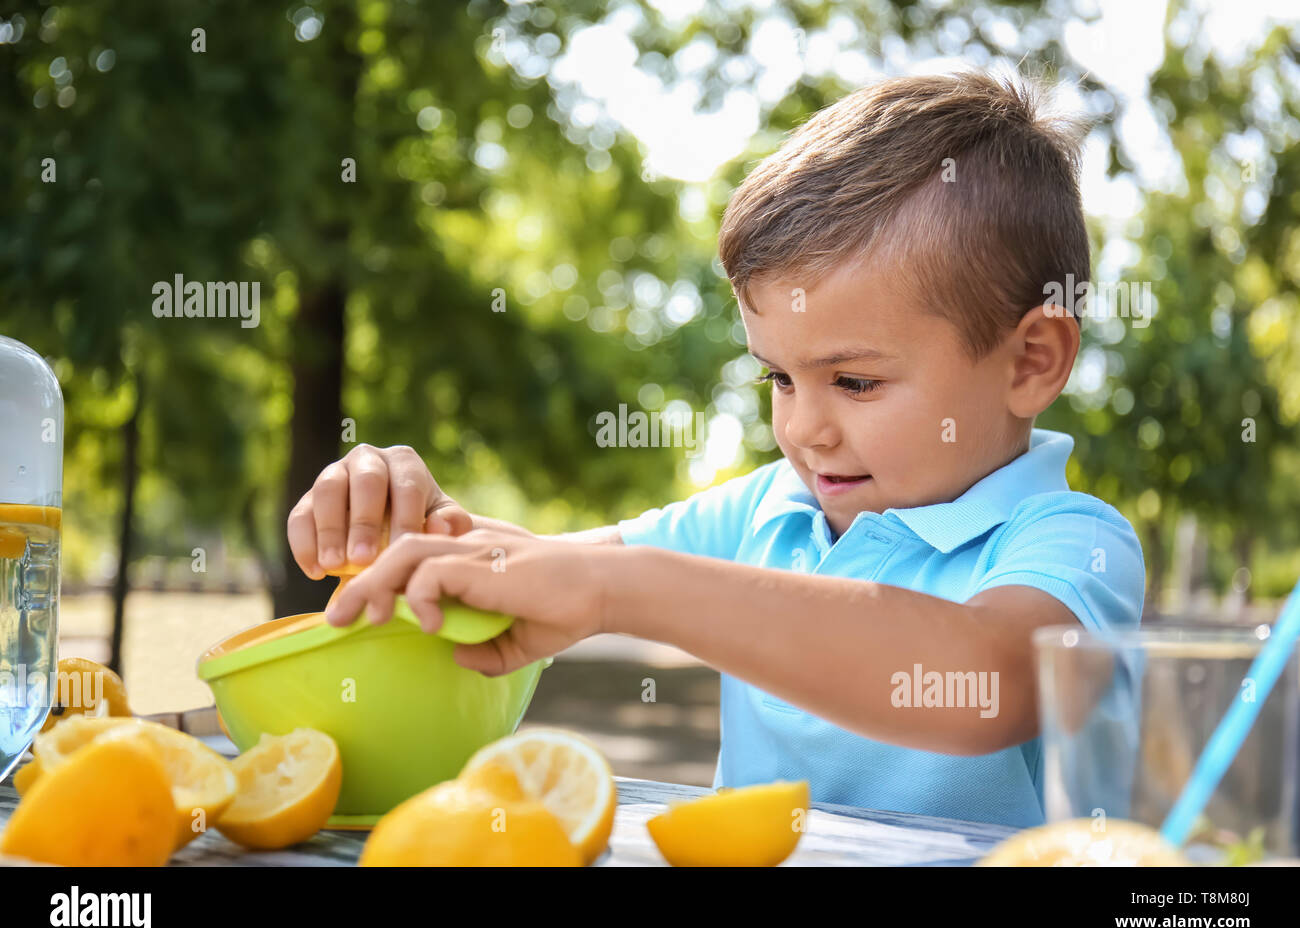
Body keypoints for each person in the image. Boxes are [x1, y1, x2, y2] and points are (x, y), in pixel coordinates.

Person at [287, 71, 1144, 827]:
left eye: (854, 382)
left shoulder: (1074, 544)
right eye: (778, 378)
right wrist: (424, 534)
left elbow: (983, 680)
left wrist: (622, 587)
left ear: (1031, 361)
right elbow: (538, 576)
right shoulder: (765, 512)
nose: (805, 429)